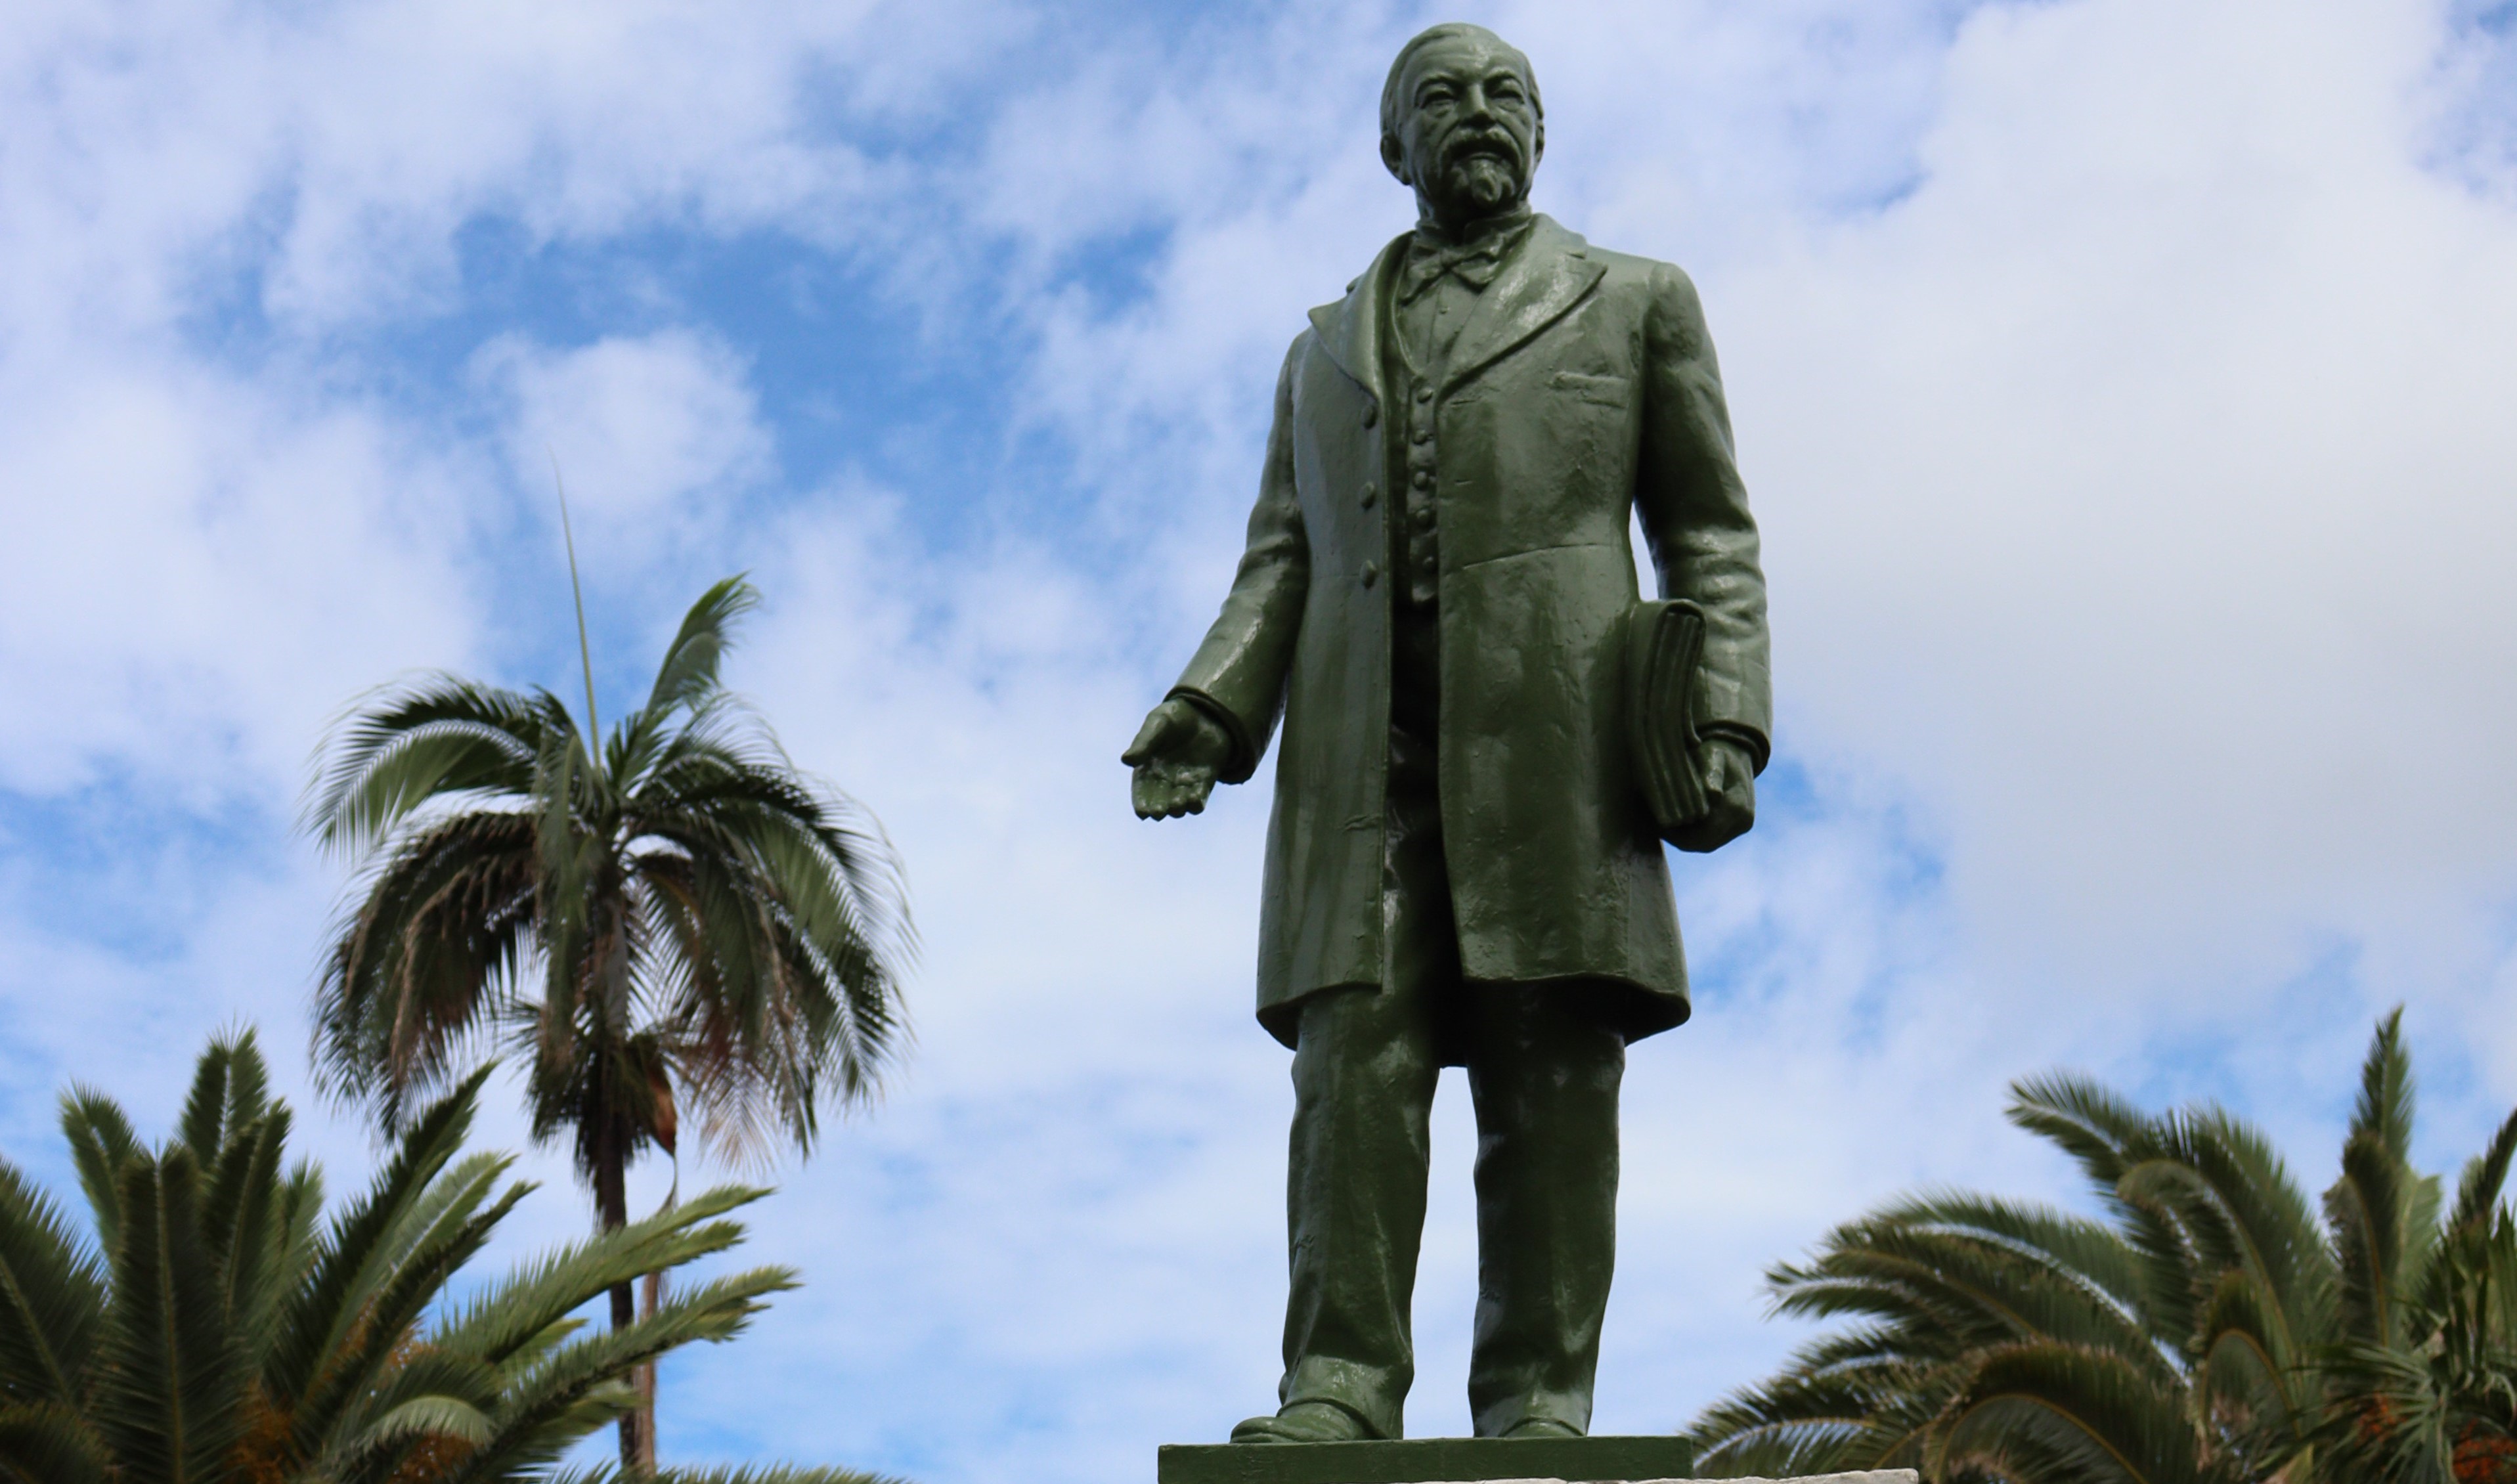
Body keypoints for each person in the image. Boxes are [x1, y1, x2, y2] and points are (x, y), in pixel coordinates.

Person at [1123, 22, 1771, 1444]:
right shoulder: (1320, 351)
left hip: (1561, 746)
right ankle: (1339, 1382)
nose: (1478, 117)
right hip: (1362, 762)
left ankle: (1539, 1397)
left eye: (1506, 96)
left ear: (1539, 132)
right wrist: (1205, 709)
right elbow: (1280, 559)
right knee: (1352, 1065)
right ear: (1391, 145)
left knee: (1551, 1068)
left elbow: (1710, 530)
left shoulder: (1637, 300)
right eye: (1443, 100)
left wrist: (1725, 712)